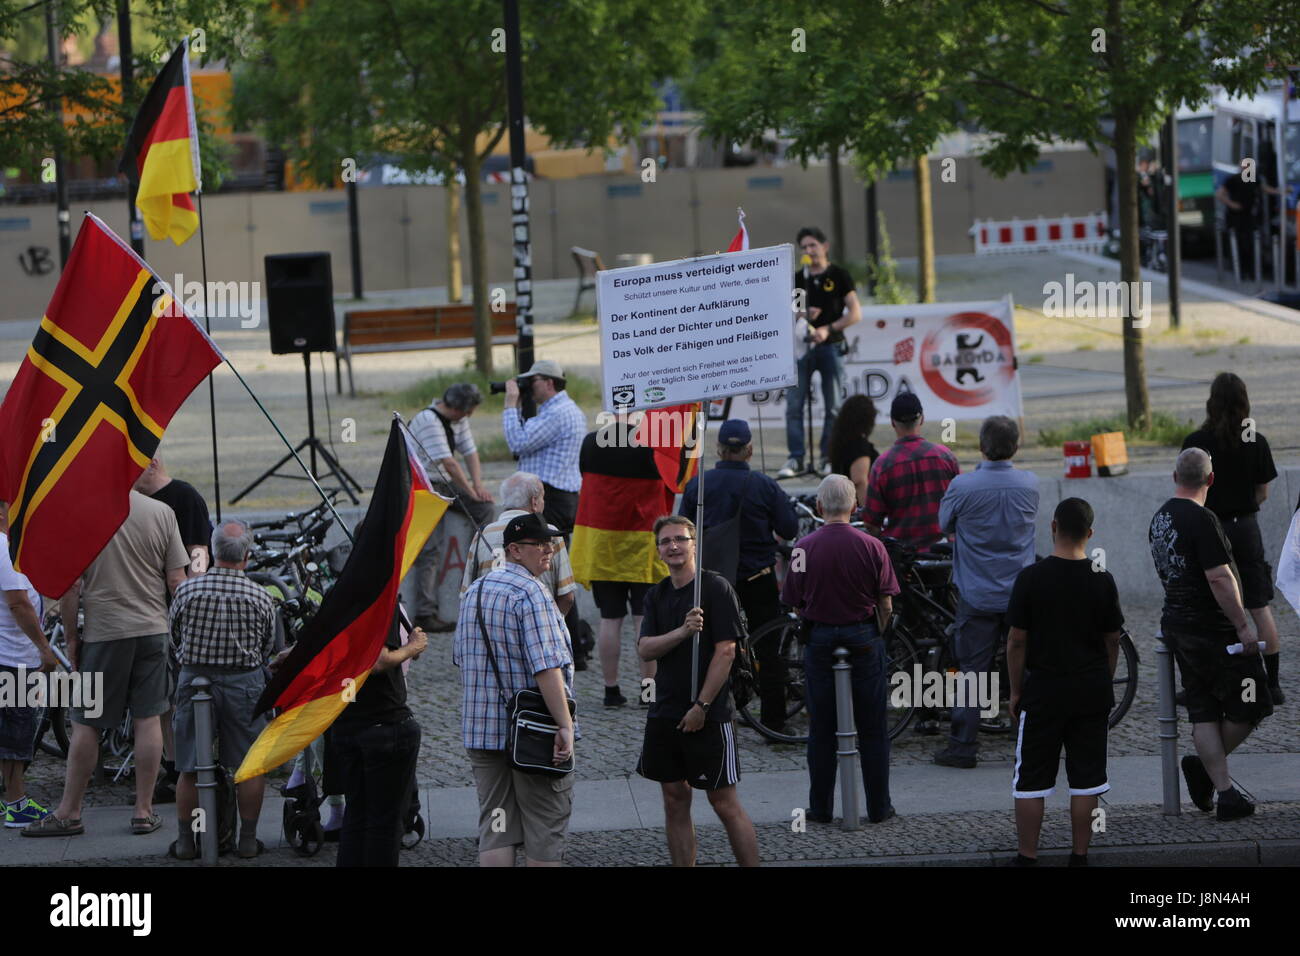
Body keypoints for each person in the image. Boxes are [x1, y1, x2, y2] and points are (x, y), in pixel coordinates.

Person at [23, 490, 189, 838]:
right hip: (152, 631)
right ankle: (143, 812)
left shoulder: (85, 513)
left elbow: (71, 588)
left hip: (103, 634)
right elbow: (177, 582)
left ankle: (69, 812)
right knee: (149, 717)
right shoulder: (161, 511)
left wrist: (70, 639)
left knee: (86, 723)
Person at [1150, 448, 1272, 820]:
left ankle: (1224, 793)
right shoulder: (1202, 519)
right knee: (1254, 702)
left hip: (1178, 628)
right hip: (1214, 632)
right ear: (1211, 480)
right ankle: (1206, 772)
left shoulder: (1160, 518)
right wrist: (1242, 626)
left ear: (1175, 476)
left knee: (1203, 710)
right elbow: (1219, 577)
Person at [1006, 498, 1123, 866]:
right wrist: (1103, 677)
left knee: (1031, 780)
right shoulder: (1102, 578)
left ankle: (1027, 857)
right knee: (1087, 779)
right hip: (1090, 689)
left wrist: (1015, 690)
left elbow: (1017, 640)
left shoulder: (1031, 578)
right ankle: (1080, 854)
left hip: (1044, 689)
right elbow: (1112, 639)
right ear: (1089, 533)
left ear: (1053, 526)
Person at [637, 515, 759, 866]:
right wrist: (683, 632)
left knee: (723, 802)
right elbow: (645, 648)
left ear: (694, 544)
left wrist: (702, 706)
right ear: (658, 549)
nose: (673, 546)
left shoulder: (715, 588)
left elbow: (726, 651)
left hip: (709, 713)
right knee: (674, 798)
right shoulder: (657, 594)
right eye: (665, 541)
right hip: (665, 710)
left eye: (680, 539)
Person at [454, 512, 575, 866]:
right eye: (539, 545)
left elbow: (461, 656)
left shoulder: (474, 591)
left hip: (482, 731)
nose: (549, 551)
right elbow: (546, 668)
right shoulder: (532, 593)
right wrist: (565, 725)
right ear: (514, 550)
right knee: (544, 827)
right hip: (534, 733)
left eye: (551, 543)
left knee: (497, 826)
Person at [781, 475, 899, 824]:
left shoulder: (803, 548)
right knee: (873, 727)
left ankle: (820, 807)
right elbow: (886, 604)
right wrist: (876, 635)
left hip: (819, 640)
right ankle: (879, 807)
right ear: (855, 506)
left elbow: (793, 601)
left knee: (821, 727)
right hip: (862, 637)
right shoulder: (872, 546)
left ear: (819, 507)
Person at [167, 519, 277, 860]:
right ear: (246, 555)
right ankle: (247, 839)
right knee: (248, 767)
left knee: (189, 765)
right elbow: (268, 647)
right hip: (244, 683)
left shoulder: (187, 590)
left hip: (194, 681)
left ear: (213, 553)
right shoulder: (260, 595)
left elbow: (174, 639)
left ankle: (187, 840)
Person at [680, 419, 798, 733]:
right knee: (770, 650)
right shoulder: (765, 485)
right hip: (758, 577)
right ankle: (775, 721)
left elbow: (683, 533)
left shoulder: (698, 484)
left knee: (712, 647)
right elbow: (789, 529)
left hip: (714, 580)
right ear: (749, 450)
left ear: (719, 449)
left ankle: (712, 715)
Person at [933, 415, 1038, 768]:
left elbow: (943, 524)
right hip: (1021, 594)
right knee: (1024, 665)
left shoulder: (964, 487)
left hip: (976, 591)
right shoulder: (1029, 484)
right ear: (1016, 446)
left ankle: (963, 746)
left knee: (972, 672)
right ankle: (1028, 734)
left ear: (981, 446)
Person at [1181, 372, 1284, 704]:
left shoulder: (1197, 441)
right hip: (1246, 526)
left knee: (1209, 603)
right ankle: (1272, 683)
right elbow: (1263, 491)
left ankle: (1208, 682)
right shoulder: (1256, 439)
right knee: (1258, 603)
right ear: (1244, 401)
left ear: (1211, 402)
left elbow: (1187, 490)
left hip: (1209, 526)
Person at [571, 412, 671, 707]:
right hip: (643, 542)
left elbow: (584, 477)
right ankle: (648, 691)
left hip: (604, 544)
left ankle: (610, 690)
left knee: (609, 619)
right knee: (644, 619)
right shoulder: (655, 445)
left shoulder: (591, 443)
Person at [133, 456, 212, 803]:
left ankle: (190, 764)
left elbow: (199, 550)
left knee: (183, 691)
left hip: (179, 610)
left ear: (151, 463)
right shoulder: (138, 502)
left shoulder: (184, 497)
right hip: (150, 610)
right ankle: (172, 763)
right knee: (162, 695)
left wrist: (192, 592)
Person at [330, 606, 427, 866]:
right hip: (383, 722)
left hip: (346, 722)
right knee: (383, 826)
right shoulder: (379, 597)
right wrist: (413, 647)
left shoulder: (341, 593)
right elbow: (379, 660)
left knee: (355, 817)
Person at [408, 383, 496, 632]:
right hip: (426, 487)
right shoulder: (429, 420)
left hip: (447, 484)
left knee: (485, 509)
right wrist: (470, 492)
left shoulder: (458, 419)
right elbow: (449, 463)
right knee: (431, 549)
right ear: (456, 408)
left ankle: (480, 573)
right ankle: (426, 612)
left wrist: (478, 487)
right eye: (467, 412)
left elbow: (470, 452)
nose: (468, 417)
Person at [779, 226, 863, 478]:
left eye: (812, 245)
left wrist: (827, 328)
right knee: (794, 405)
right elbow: (792, 314)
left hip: (831, 346)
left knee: (833, 406)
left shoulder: (839, 275)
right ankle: (796, 458)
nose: (809, 251)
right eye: (804, 247)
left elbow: (855, 313)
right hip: (803, 348)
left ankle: (829, 456)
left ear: (824, 246)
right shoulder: (798, 278)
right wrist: (805, 315)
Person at [0, 500, 55, 827]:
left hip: (8, 653)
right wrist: (44, 649)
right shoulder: (4, 546)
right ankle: (16, 804)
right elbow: (19, 603)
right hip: (14, 657)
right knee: (17, 733)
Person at [460, 472, 577, 621]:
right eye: (543, 497)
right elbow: (567, 597)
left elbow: (466, 594)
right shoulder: (552, 534)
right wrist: (554, 624)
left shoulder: (482, 535)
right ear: (534, 502)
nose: (543, 502)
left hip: (491, 628)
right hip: (540, 625)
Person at [861, 393, 961, 549]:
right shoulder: (946, 457)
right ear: (922, 419)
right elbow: (962, 506)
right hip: (944, 553)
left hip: (903, 558)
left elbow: (871, 523)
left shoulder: (882, 465)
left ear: (893, 422)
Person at [502, 360, 587, 537]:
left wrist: (510, 404)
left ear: (549, 383)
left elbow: (517, 443)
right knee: (553, 555)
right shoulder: (565, 409)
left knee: (544, 556)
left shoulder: (557, 413)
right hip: (560, 496)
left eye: (533, 381)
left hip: (550, 498)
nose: (529, 386)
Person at [133, 457, 212, 571]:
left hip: (179, 586)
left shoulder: (185, 496)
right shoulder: (133, 499)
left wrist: (191, 586)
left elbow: (199, 553)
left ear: (152, 465)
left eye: (133, 465)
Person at [1215, 156, 1277, 280]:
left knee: (1251, 244)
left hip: (1249, 216)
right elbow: (1219, 194)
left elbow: (1266, 189)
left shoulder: (1254, 180)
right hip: (1235, 217)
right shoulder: (1233, 179)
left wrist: (1281, 191)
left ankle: (1251, 271)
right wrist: (1232, 205)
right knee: (1239, 243)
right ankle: (1241, 272)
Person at [828, 394, 880, 509]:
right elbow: (860, 481)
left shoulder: (841, 442)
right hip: (856, 509)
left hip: (841, 505)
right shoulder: (859, 446)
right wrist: (868, 513)